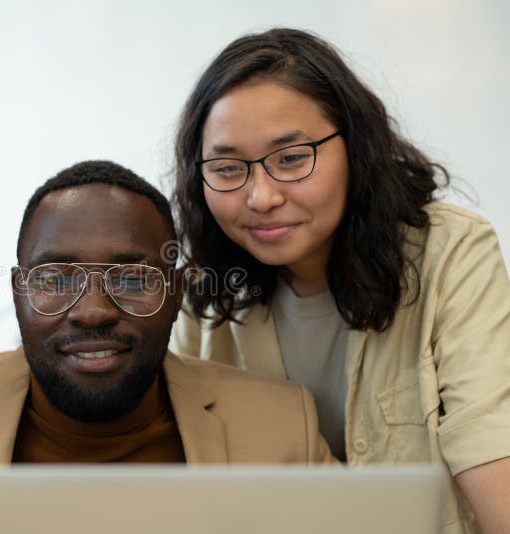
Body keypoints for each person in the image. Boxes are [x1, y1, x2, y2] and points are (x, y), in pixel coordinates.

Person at [168, 28, 510, 534]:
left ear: (355, 147)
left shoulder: (450, 253)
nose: (260, 197)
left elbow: (487, 441)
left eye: (290, 159)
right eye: (227, 167)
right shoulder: (209, 290)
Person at [0, 160, 334, 466]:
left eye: (133, 279)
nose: (94, 312)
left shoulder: (282, 429)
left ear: (176, 293)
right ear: (18, 296)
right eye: (55, 280)